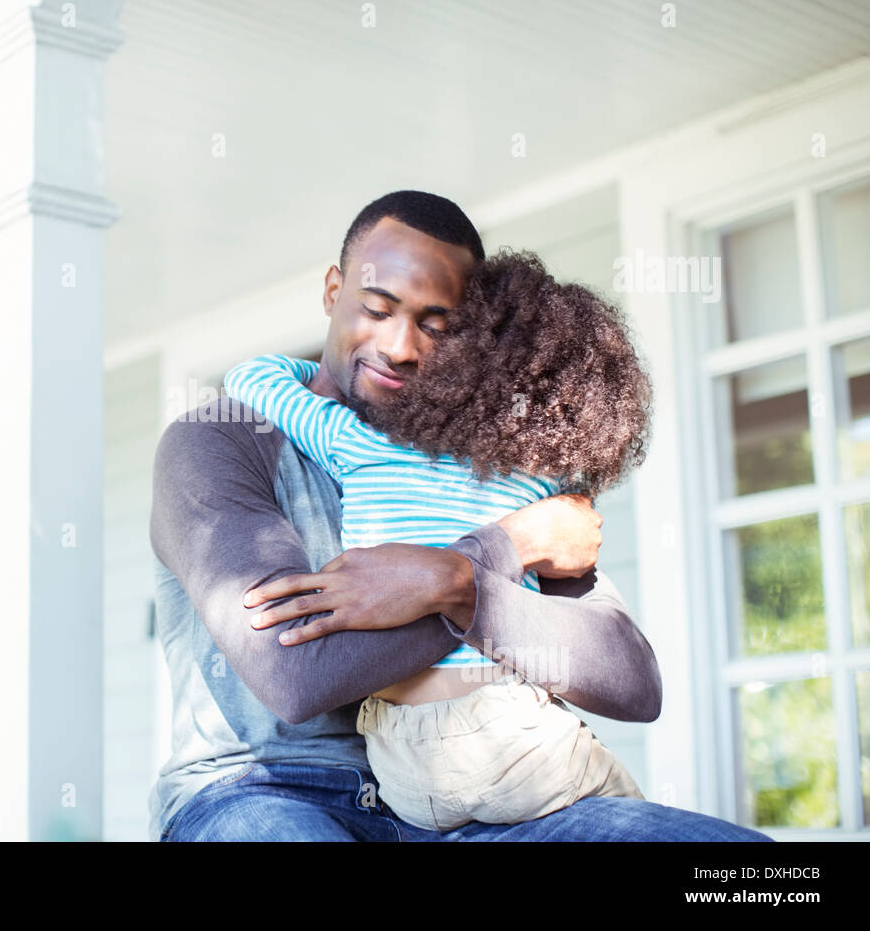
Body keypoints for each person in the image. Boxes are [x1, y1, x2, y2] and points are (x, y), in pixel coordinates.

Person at [148, 190, 771, 842]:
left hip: (473, 809)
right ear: (334, 291)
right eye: (377, 308)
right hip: (263, 793)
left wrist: (461, 587)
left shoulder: (479, 464)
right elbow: (296, 676)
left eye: (435, 324)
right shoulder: (220, 441)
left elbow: (630, 681)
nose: (399, 346)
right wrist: (506, 549)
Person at [220, 248, 651, 831]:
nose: (404, 348)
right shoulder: (543, 486)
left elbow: (250, 379)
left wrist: (313, 373)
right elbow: (635, 686)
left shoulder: (358, 445)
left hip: (399, 764)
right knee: (630, 806)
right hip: (511, 737)